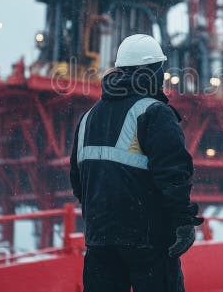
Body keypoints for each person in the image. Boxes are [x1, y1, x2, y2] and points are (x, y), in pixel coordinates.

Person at [70, 34, 203, 292]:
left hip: (100, 242)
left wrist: (104, 215)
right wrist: (183, 221)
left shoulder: (88, 118)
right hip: (149, 242)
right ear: (153, 72)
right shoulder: (155, 112)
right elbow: (174, 176)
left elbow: (77, 180)